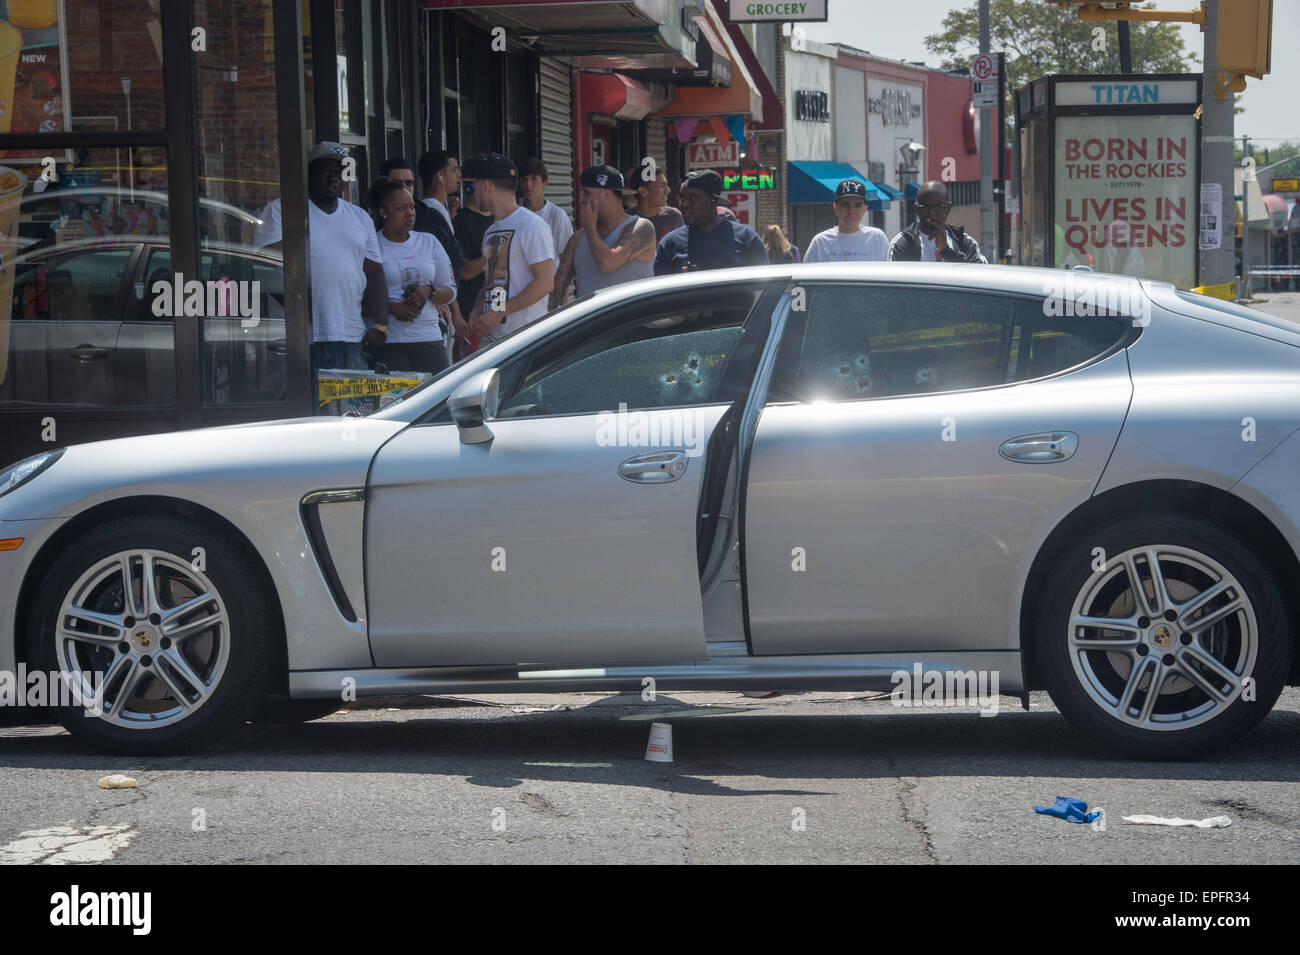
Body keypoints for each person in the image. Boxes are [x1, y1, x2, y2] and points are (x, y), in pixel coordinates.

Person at [253, 141, 386, 371]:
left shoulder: (360, 217)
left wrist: (381, 325)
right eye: (327, 172)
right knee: (299, 407)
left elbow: (374, 274)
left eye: (340, 172)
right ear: (310, 174)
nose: (334, 178)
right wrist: (303, 309)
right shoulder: (281, 211)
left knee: (348, 407)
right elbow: (264, 268)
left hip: (349, 335)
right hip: (296, 337)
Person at [365, 179, 457, 375]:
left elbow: (450, 291)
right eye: (400, 209)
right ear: (383, 212)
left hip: (429, 337)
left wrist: (428, 291)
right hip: (390, 340)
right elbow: (359, 294)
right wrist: (391, 307)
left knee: (439, 398)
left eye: (412, 207)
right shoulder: (372, 245)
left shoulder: (429, 242)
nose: (410, 214)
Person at [462, 153, 555, 343]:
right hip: (493, 340)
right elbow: (491, 279)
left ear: (486, 186)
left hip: (527, 339)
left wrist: (499, 312)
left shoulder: (532, 225)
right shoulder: (491, 231)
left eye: (475, 185)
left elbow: (545, 282)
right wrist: (478, 308)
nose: (473, 191)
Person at [384, 155, 466, 356]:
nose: (405, 188)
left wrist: (434, 295)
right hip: (389, 338)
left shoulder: (430, 220)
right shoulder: (370, 234)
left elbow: (452, 266)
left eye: (409, 183)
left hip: (429, 333)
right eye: (397, 183)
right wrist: (391, 307)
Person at [551, 165, 655, 307]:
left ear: (606, 194)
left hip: (631, 326)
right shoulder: (578, 239)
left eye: (586, 193)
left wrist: (590, 229)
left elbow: (608, 263)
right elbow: (557, 292)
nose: (581, 200)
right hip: (593, 327)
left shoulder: (642, 227)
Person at [653, 169, 769, 274]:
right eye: (682, 198)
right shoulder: (670, 244)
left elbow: (764, 286)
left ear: (714, 200)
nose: (685, 204)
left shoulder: (746, 238)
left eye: (693, 198)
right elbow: (659, 291)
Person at [887, 181, 988, 263]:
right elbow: (892, 283)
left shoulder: (964, 242)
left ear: (948, 209)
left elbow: (981, 277)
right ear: (917, 209)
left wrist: (946, 251)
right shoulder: (903, 243)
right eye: (926, 207)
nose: (932, 213)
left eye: (939, 207)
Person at [453, 180, 494, 357]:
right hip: (474, 315)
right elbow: (467, 272)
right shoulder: (462, 220)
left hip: (509, 319)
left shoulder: (522, 223)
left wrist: (497, 311)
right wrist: (496, 311)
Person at [804, 179, 889, 263]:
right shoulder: (820, 242)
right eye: (845, 205)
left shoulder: (877, 238)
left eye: (857, 205)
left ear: (865, 208)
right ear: (835, 208)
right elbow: (807, 274)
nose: (851, 211)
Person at [519, 158, 573, 272]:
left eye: (534, 179)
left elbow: (566, 260)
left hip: (549, 286)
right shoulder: (513, 211)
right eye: (524, 180)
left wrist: (562, 289)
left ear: (545, 182)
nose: (528, 185)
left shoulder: (557, 216)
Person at [624, 163, 683, 241]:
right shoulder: (625, 220)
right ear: (643, 191)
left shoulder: (674, 217)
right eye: (662, 185)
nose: (668, 190)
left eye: (667, 185)